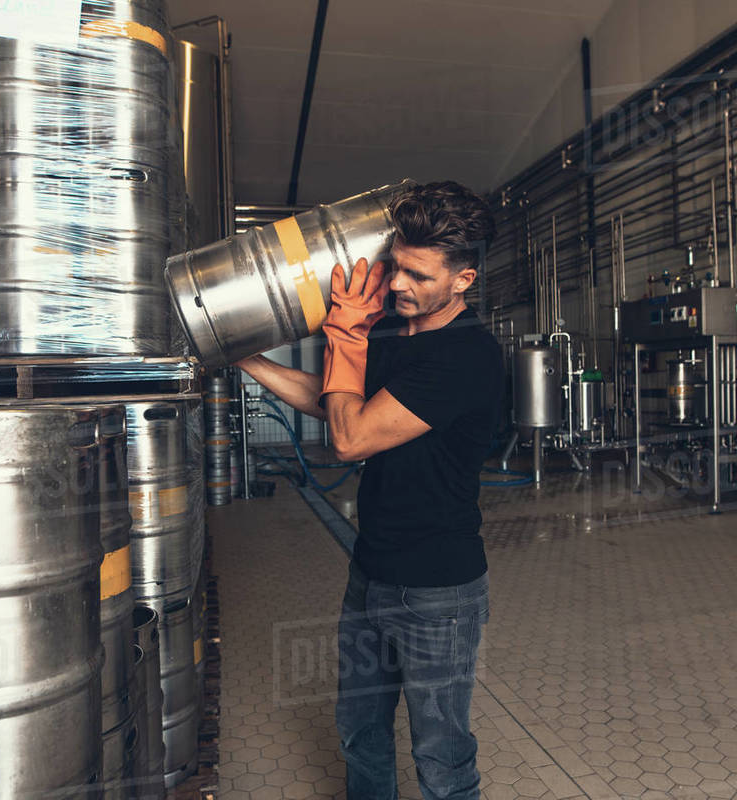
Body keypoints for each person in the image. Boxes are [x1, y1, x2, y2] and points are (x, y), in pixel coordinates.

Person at [236, 180, 503, 799]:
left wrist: (345, 337)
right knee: (360, 733)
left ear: (462, 279)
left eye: (419, 274)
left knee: (441, 756)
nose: (400, 285)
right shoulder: (389, 332)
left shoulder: (468, 356)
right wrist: (247, 360)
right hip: (370, 572)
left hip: (437, 589)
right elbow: (338, 405)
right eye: (396, 267)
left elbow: (350, 438)